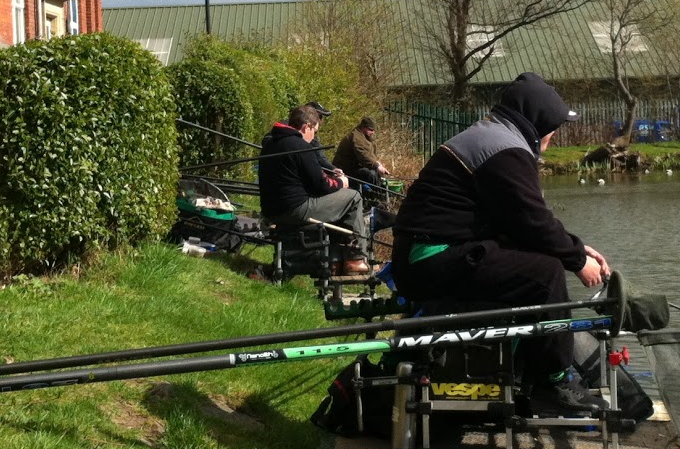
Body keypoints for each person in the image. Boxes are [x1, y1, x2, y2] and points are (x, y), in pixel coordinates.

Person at [391, 72, 611, 413]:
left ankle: (530, 367)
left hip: (433, 254)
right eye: (552, 129)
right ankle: (554, 382)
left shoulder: (495, 136)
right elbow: (532, 221)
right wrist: (577, 261)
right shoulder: (505, 149)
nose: (553, 138)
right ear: (536, 123)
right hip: (431, 259)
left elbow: (520, 222)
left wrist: (578, 247)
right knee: (546, 273)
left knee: (537, 263)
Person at [259, 105, 371, 275]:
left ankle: (335, 260)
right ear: (306, 127)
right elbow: (320, 186)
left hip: (270, 210)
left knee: (339, 202)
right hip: (295, 210)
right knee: (353, 197)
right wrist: (340, 182)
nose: (314, 137)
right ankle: (355, 258)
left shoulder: (271, 142)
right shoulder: (301, 145)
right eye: (315, 131)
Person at [333, 116, 391, 194]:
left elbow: (369, 153)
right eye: (371, 130)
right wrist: (376, 166)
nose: (373, 132)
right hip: (345, 170)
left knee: (374, 171)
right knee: (371, 174)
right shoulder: (356, 138)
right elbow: (363, 156)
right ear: (364, 127)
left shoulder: (364, 136)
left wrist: (377, 163)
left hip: (355, 167)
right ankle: (379, 196)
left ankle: (378, 192)